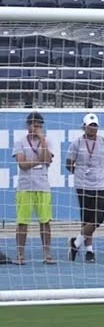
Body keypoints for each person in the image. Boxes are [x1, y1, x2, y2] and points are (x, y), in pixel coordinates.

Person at [66, 112, 104, 264]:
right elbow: (69, 163)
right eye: (90, 126)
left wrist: (96, 174)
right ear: (84, 127)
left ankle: (76, 242)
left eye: (95, 126)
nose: (93, 129)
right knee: (86, 218)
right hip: (82, 185)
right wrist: (80, 174)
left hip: (99, 185)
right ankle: (89, 251)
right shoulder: (77, 143)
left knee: (98, 218)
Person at [13, 111, 55, 265]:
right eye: (34, 125)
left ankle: (47, 253)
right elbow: (22, 165)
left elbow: (48, 160)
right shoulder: (20, 142)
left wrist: (42, 140)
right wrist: (39, 160)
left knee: (45, 221)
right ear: (28, 125)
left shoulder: (47, 141)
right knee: (22, 222)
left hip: (42, 186)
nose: (37, 128)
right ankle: (20, 254)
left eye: (39, 126)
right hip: (25, 186)